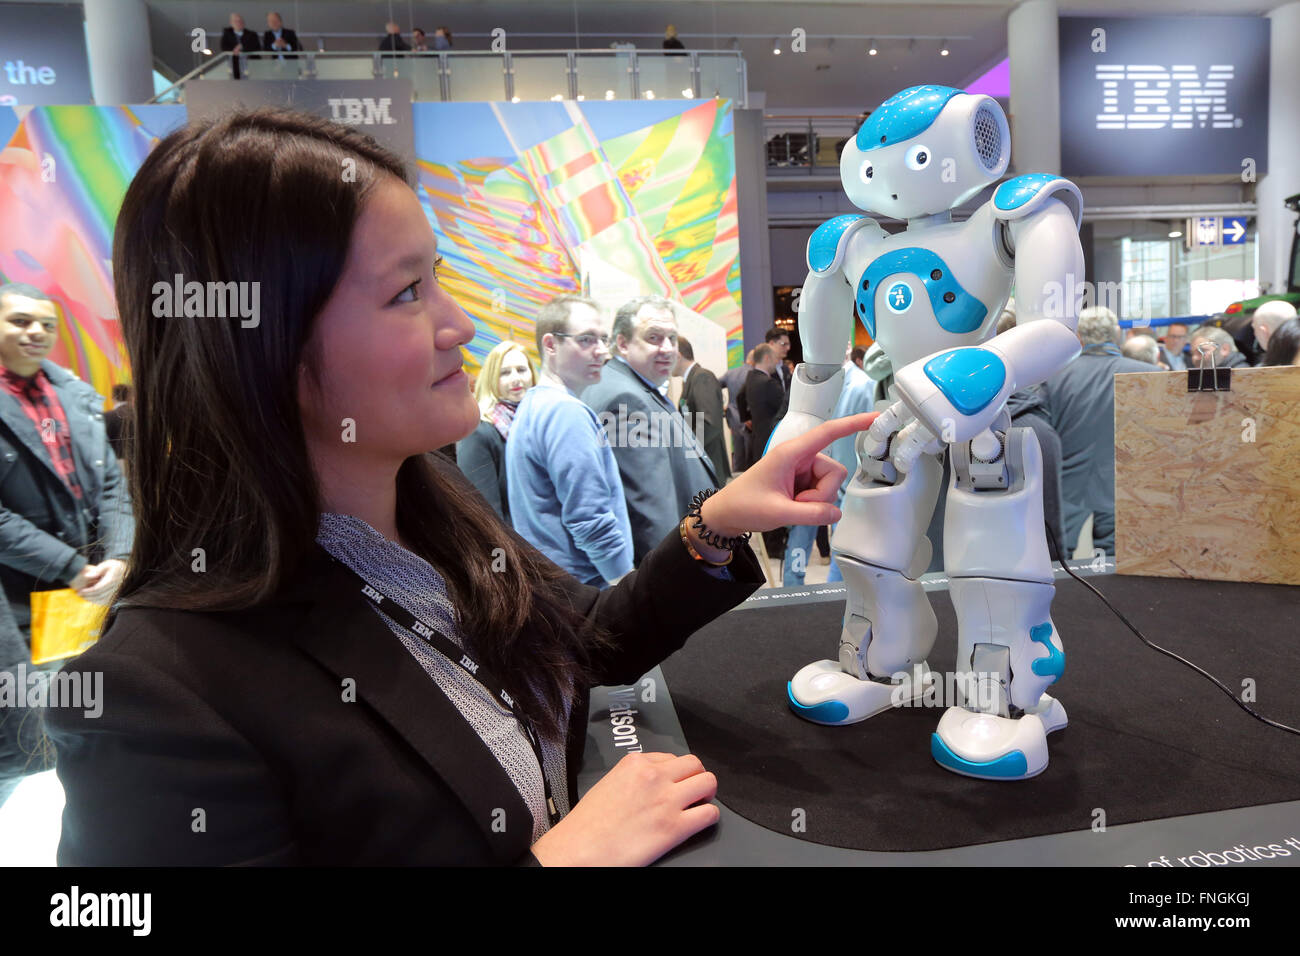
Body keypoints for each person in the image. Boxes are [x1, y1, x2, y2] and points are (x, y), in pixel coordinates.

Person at [46, 109, 870, 866]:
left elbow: (579, 644)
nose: (461, 325)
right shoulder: (156, 704)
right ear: (264, 346)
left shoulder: (435, 517)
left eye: (435, 278)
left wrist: (718, 521)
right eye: (407, 293)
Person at [0, 283, 134, 808]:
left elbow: (111, 487)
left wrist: (120, 556)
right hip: (14, 604)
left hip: (81, 596)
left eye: (46, 324)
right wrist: (71, 564)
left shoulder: (73, 394)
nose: (36, 332)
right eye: (20, 322)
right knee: (14, 740)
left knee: (79, 715)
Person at [582, 296, 719, 564]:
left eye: (671, 337)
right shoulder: (625, 398)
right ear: (622, 343)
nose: (668, 348)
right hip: (672, 568)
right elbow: (650, 511)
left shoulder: (628, 385)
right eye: (654, 338)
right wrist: (671, 578)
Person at [507, 295, 632, 587]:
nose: (601, 351)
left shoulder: (534, 404)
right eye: (587, 339)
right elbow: (589, 517)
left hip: (559, 586)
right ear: (551, 345)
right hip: (589, 588)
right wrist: (624, 583)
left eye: (604, 339)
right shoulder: (565, 412)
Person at [1037, 306, 1151, 556]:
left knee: (1057, 566)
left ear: (1078, 337)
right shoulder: (1150, 376)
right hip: (1129, 489)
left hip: (1066, 491)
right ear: (1117, 336)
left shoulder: (1052, 376)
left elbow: (1042, 432)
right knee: (1122, 563)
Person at [455, 340, 534, 523]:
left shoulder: (538, 422)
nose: (516, 378)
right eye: (504, 373)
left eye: (521, 370)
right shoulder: (478, 431)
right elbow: (485, 514)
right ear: (491, 378)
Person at [674, 336, 731, 485]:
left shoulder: (702, 377)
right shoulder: (690, 380)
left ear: (677, 356)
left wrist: (686, 449)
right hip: (701, 464)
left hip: (709, 464)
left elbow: (708, 423)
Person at [739, 343, 785, 469]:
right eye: (775, 357)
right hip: (770, 439)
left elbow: (739, 397)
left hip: (757, 437)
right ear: (766, 358)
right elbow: (785, 408)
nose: (777, 362)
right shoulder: (769, 383)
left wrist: (747, 418)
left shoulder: (750, 378)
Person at [719, 349, 754, 473]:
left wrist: (720, 406)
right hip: (751, 421)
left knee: (738, 457)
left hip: (733, 419)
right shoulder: (755, 374)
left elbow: (714, 385)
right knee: (752, 458)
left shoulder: (730, 374)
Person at [220, 13, 261, 80]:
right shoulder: (227, 34)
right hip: (233, 68)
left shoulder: (252, 34)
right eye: (236, 21)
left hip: (251, 66)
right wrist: (234, 50)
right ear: (231, 23)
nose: (238, 23)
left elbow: (257, 47)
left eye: (240, 21)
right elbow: (224, 47)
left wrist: (242, 47)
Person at [765, 325, 793, 393]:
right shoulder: (764, 369)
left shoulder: (785, 368)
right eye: (784, 344)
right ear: (771, 344)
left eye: (788, 344)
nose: (788, 348)